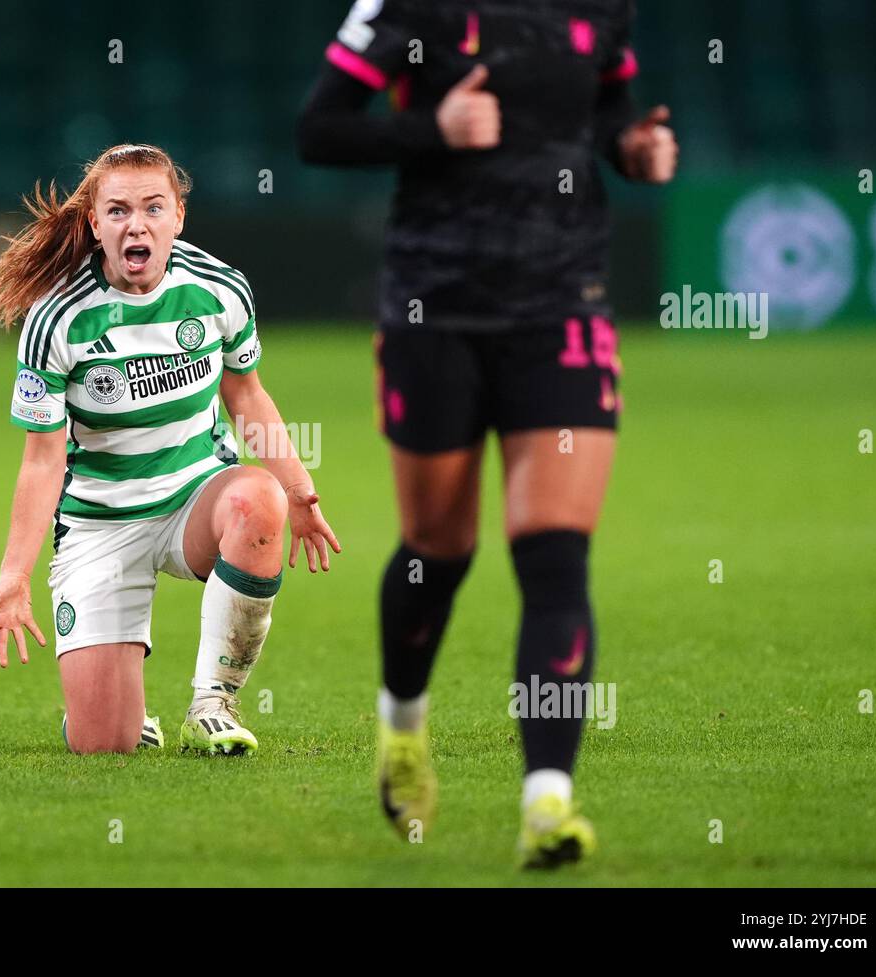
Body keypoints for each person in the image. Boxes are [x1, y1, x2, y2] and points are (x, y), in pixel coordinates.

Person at [297, 0, 676, 866]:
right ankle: (402, 719)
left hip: (562, 307)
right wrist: (434, 127)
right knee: (440, 548)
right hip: (437, 310)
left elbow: (608, 110)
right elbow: (318, 130)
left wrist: (632, 149)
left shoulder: (601, 11)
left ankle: (548, 803)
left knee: (553, 554)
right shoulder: (404, 9)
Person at [0, 144, 341, 756]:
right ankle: (104, 711)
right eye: (117, 210)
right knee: (107, 745)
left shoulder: (220, 289)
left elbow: (246, 397)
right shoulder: (57, 318)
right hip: (100, 524)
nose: (136, 224)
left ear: (178, 216)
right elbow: (42, 460)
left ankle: (213, 703)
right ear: (95, 223)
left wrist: (300, 493)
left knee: (260, 497)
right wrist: (14, 577)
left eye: (153, 207)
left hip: (194, 496)